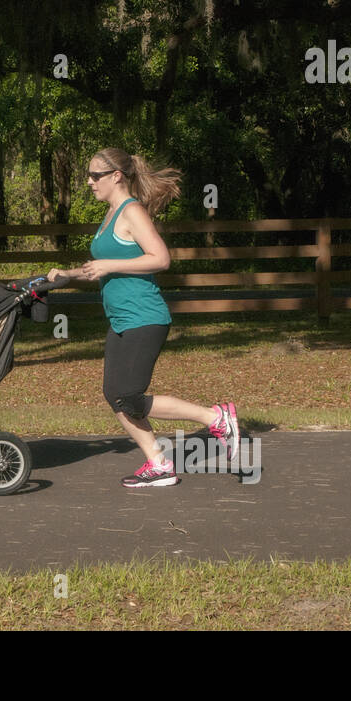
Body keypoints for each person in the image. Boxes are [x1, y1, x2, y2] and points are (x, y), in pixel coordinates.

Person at [47, 147, 238, 487]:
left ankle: (216, 417)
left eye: (95, 176)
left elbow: (160, 258)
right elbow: (101, 266)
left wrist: (111, 265)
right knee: (114, 394)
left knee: (129, 395)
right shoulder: (110, 214)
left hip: (144, 317)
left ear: (116, 176)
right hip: (121, 319)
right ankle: (159, 464)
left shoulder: (132, 211)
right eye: (88, 176)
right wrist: (69, 273)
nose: (88, 182)